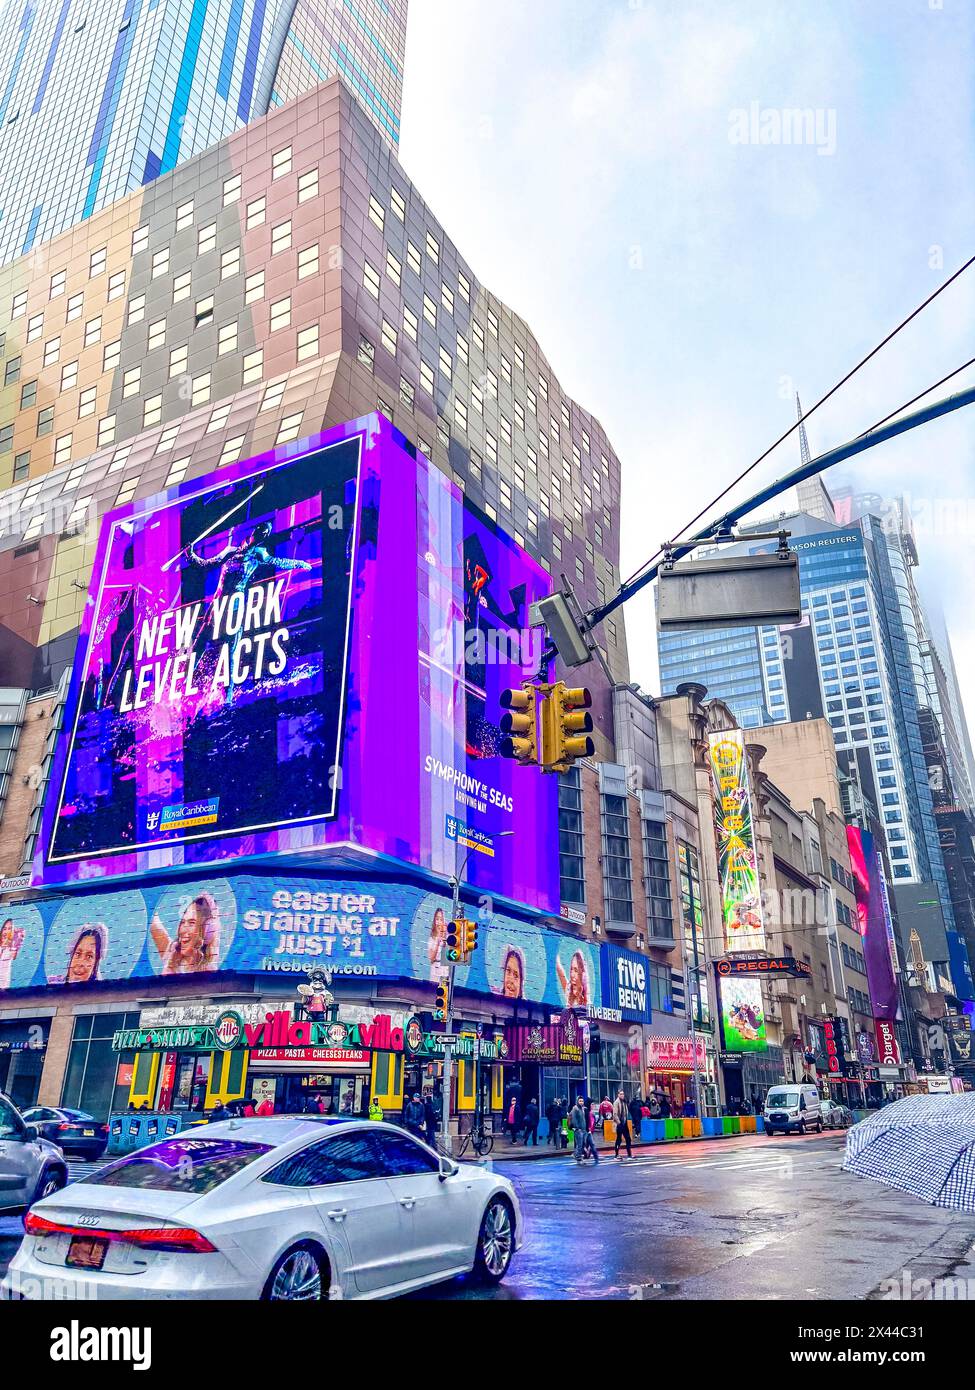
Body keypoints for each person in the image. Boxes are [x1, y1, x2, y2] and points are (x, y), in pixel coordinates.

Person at [150, 893, 221, 975]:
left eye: (192, 923)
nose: (183, 930)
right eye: (183, 922)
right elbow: (153, 922)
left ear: (207, 931)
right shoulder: (172, 954)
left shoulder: (210, 973)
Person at [613, 1088, 632, 1160]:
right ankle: (616, 1154)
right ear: (618, 1095)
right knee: (619, 1139)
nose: (622, 1095)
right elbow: (615, 1114)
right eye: (621, 1094)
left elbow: (626, 1112)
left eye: (623, 1094)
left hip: (625, 1123)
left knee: (628, 1139)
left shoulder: (624, 1102)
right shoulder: (616, 1102)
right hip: (619, 1123)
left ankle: (629, 1154)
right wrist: (619, 1123)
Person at [569, 1094, 588, 1164]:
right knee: (580, 1144)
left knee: (582, 1144)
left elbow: (583, 1119)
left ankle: (575, 1154)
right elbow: (574, 1119)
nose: (581, 1102)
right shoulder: (575, 1108)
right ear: (577, 1101)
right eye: (580, 1101)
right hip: (578, 1130)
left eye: (582, 1101)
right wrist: (577, 1128)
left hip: (583, 1129)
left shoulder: (582, 1109)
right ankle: (579, 1158)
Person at [583, 1098, 600, 1164]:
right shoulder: (587, 1112)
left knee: (590, 1144)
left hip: (589, 1131)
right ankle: (580, 1155)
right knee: (587, 1144)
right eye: (592, 1104)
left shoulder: (590, 1113)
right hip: (586, 1131)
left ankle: (595, 1157)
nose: (593, 1106)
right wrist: (589, 1129)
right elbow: (589, 1123)